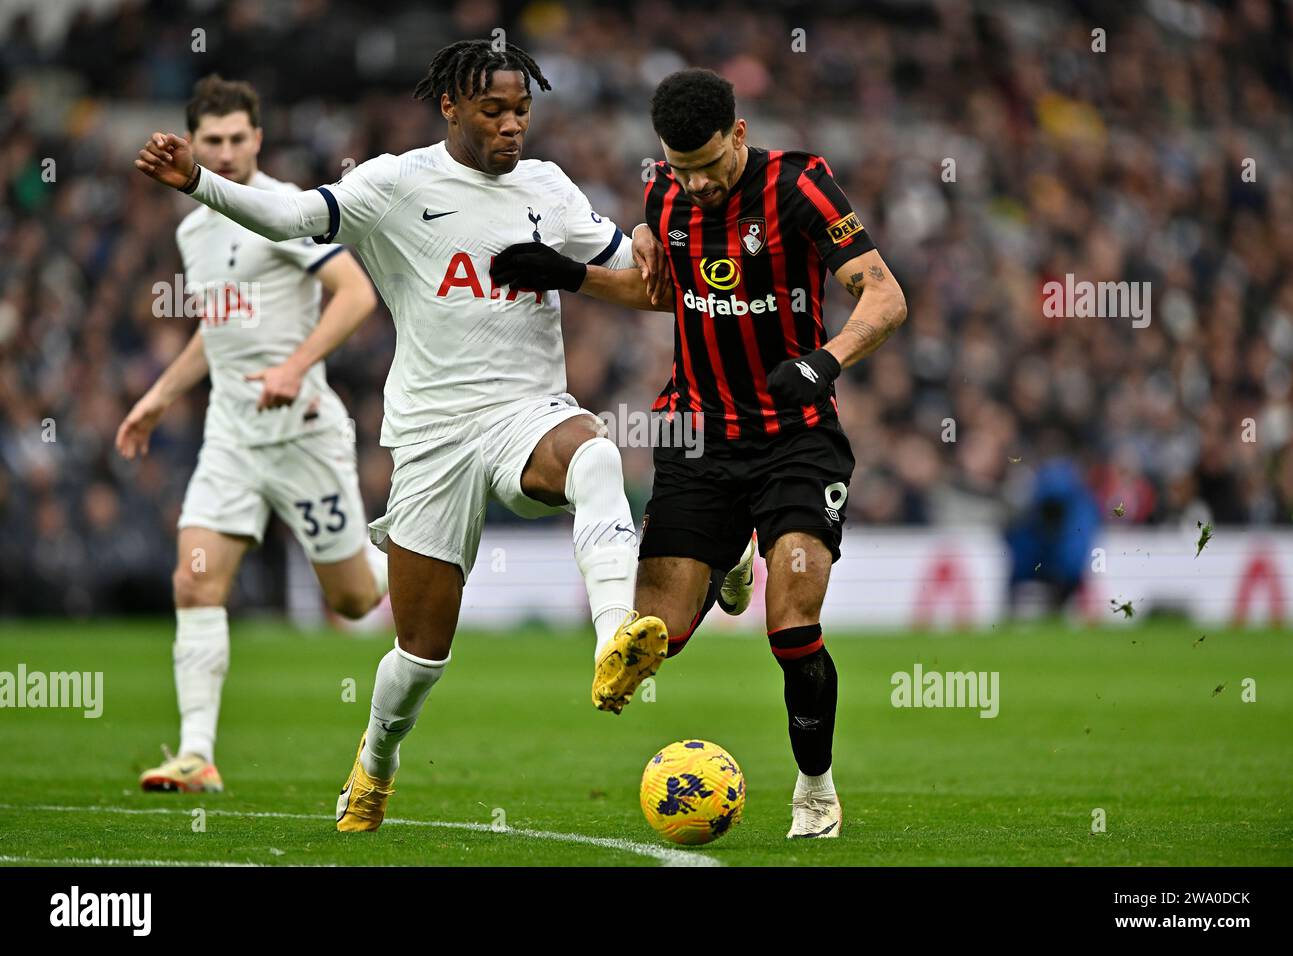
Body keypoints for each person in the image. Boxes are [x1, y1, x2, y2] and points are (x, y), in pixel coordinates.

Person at [133, 40, 673, 830]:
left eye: (522, 110)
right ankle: (375, 763)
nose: (512, 126)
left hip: (527, 413)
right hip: (432, 437)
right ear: (450, 107)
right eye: (494, 111)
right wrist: (199, 183)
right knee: (420, 655)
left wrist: (645, 242)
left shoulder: (549, 188)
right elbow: (290, 216)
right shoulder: (394, 183)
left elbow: (640, 281)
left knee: (595, 453)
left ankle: (614, 639)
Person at [492, 69, 909, 838]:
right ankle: (726, 558)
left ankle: (814, 788)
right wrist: (573, 276)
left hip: (797, 439)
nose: (696, 185)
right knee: (657, 637)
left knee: (791, 627)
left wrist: (827, 359)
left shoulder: (801, 187)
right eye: (678, 169)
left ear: (740, 136)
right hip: (697, 435)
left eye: (709, 167)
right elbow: (667, 294)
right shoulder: (666, 197)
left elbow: (884, 295)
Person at [117, 75, 388, 793]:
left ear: (258, 140)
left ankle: (418, 558)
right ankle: (196, 754)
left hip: (302, 437)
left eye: (239, 139)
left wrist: (297, 366)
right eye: (213, 141)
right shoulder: (192, 226)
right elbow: (220, 329)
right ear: (192, 143)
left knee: (356, 601)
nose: (228, 152)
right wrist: (158, 395)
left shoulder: (280, 210)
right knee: (195, 582)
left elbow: (357, 293)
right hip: (231, 438)